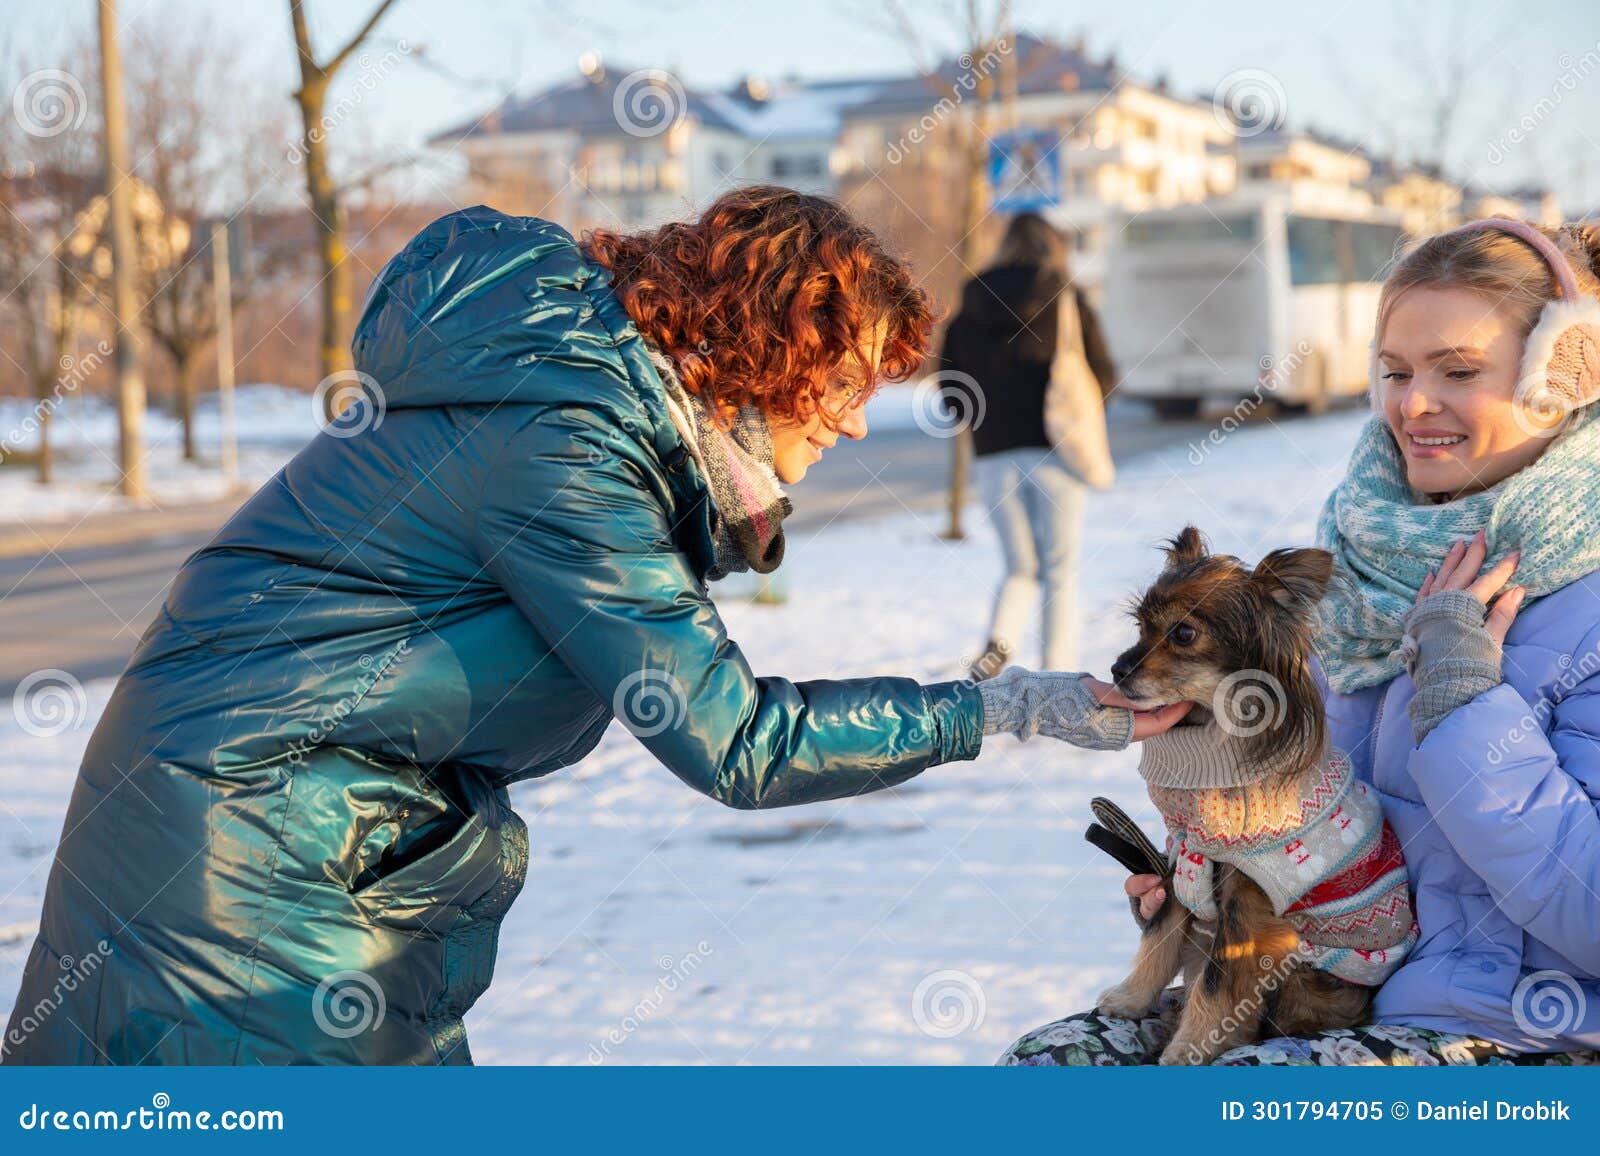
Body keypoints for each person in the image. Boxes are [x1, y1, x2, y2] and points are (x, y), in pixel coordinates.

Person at [3, 187, 1191, 1065]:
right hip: (237, 860)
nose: (852, 423)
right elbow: (738, 741)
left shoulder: (589, 411)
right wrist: (1000, 706)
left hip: (303, 833)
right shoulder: (567, 446)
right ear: (768, 348)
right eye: (844, 382)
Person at [1000, 218, 1600, 1066]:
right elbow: (1313, 827)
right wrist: (1214, 885)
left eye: (1458, 372)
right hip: (1325, 985)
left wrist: (1464, 703)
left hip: (1517, 1031)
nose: (1414, 405)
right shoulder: (1355, 580)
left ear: (1563, 376)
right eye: (1396, 372)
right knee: (1047, 1071)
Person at [938, 212, 1116, 681]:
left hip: (993, 455)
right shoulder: (1066, 298)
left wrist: (984, 423)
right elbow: (1103, 374)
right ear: (1053, 246)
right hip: (1056, 451)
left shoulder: (972, 302)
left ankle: (996, 652)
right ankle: (1057, 674)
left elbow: (950, 386)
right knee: (1059, 570)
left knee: (1019, 566)